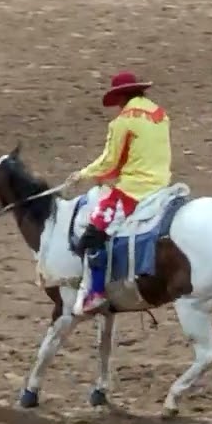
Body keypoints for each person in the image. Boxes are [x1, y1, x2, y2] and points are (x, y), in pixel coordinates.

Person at [67, 71, 173, 314]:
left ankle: (95, 292)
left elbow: (110, 162)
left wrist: (82, 174)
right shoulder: (160, 115)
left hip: (136, 189)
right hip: (162, 185)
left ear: (122, 97)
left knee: (95, 230)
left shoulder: (123, 121)